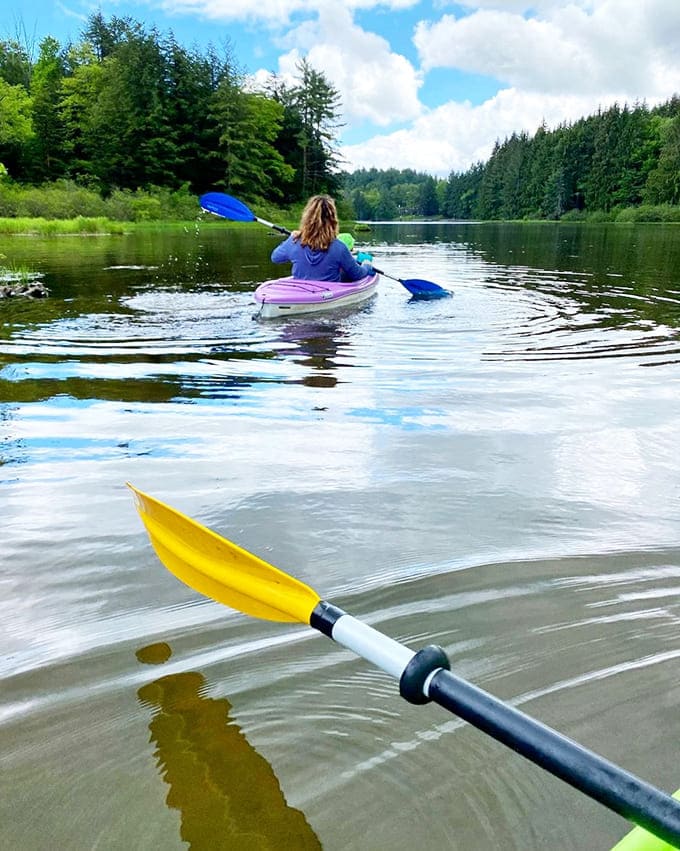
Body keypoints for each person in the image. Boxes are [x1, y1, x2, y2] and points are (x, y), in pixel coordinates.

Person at [271, 195, 374, 282]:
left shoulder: (294, 241)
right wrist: (366, 265)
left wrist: (291, 238)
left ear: (307, 218)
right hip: (327, 293)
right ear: (333, 220)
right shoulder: (339, 247)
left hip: (301, 289)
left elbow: (275, 257)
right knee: (346, 271)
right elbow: (358, 275)